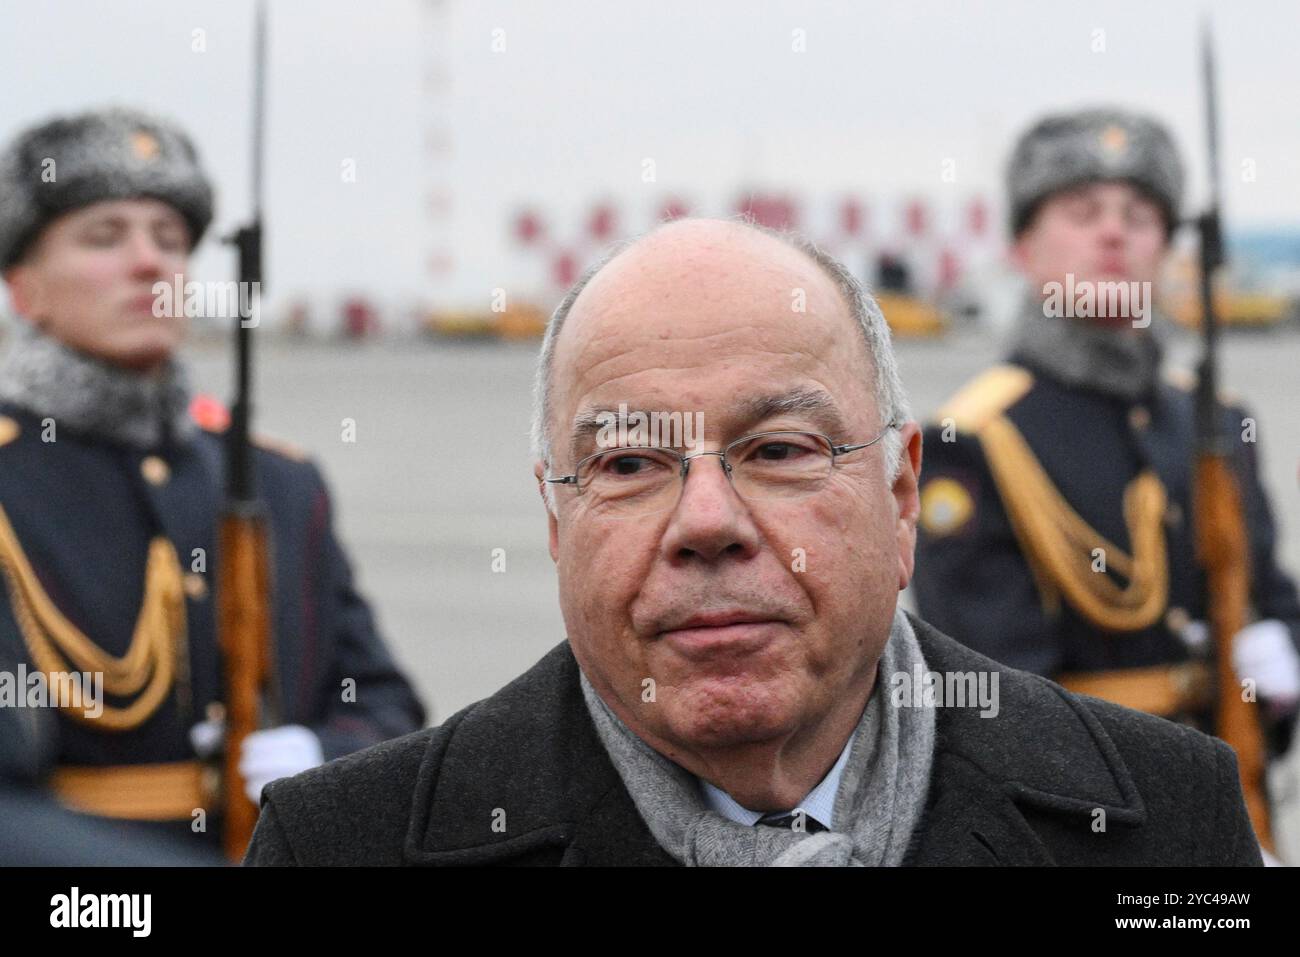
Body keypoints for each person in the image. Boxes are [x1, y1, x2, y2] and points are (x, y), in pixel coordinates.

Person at [245, 218, 1260, 866]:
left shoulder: (1165, 821)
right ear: (555, 519)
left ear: (900, 493)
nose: (706, 523)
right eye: (629, 465)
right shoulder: (342, 847)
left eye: (778, 449)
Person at [0, 107, 425, 861]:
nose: (149, 262)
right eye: (105, 236)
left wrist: (320, 757)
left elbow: (385, 703)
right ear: (21, 284)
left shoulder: (279, 482)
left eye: (169, 239)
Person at [911, 108, 1300, 754]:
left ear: (1168, 249)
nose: (1115, 233)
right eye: (1084, 212)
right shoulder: (974, 439)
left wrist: (1281, 666)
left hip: (1236, 798)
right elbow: (1001, 702)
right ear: (1023, 248)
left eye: (1140, 215)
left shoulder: (1220, 420)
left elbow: (1267, 592)